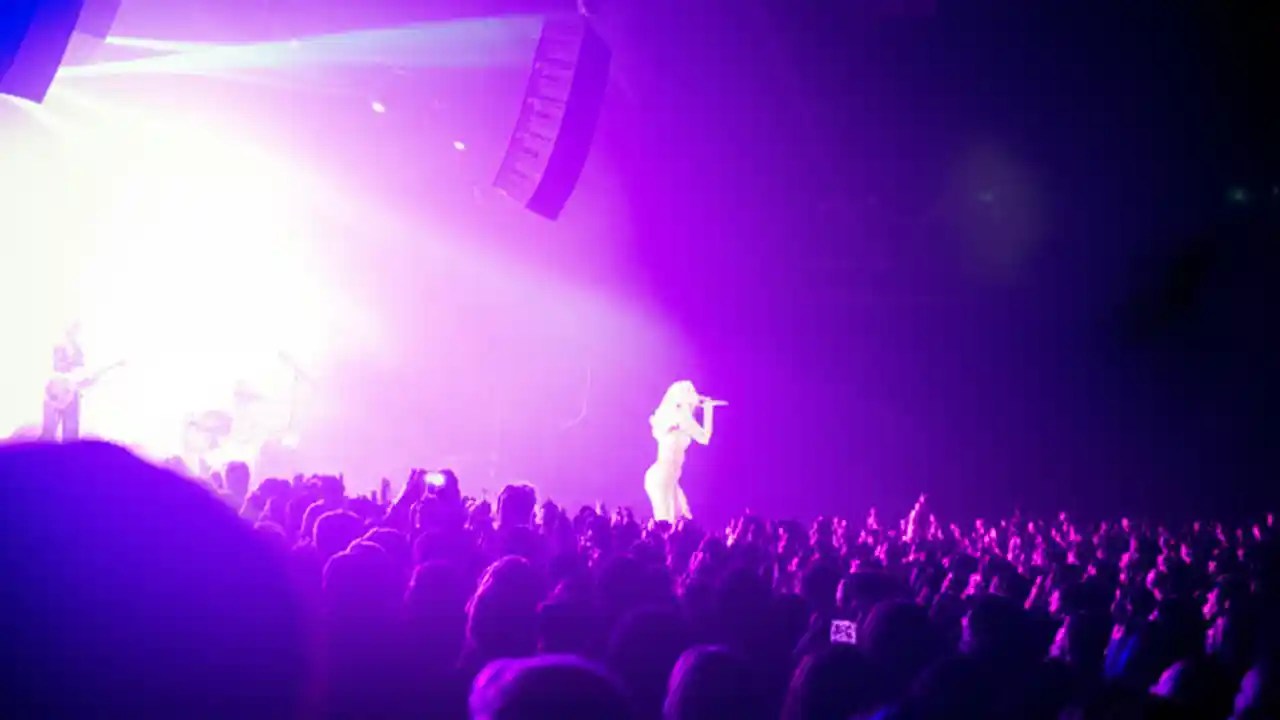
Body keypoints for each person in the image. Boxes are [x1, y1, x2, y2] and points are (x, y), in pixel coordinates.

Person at [644, 380, 721, 523]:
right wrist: (708, 409)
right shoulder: (681, 418)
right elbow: (705, 438)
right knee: (670, 522)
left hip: (666, 478)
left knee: (677, 520)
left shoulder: (672, 417)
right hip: (664, 477)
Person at [41, 323, 86, 442]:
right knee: (50, 432)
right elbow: (62, 365)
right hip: (58, 388)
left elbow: (78, 362)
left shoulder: (70, 347)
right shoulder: (60, 346)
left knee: (69, 434)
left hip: (67, 389)